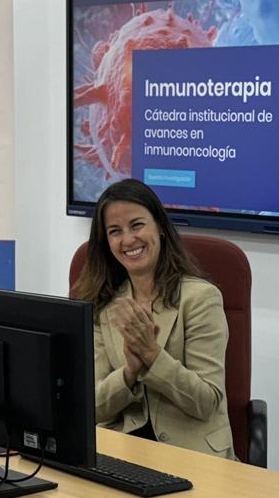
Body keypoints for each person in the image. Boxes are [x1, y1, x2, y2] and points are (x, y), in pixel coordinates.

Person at [72, 179, 234, 459]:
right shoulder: (102, 303)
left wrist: (152, 355)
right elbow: (91, 405)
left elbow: (206, 402)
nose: (128, 240)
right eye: (115, 231)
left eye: (137, 225)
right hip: (122, 451)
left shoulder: (200, 298)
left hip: (193, 454)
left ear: (159, 226)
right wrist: (129, 373)